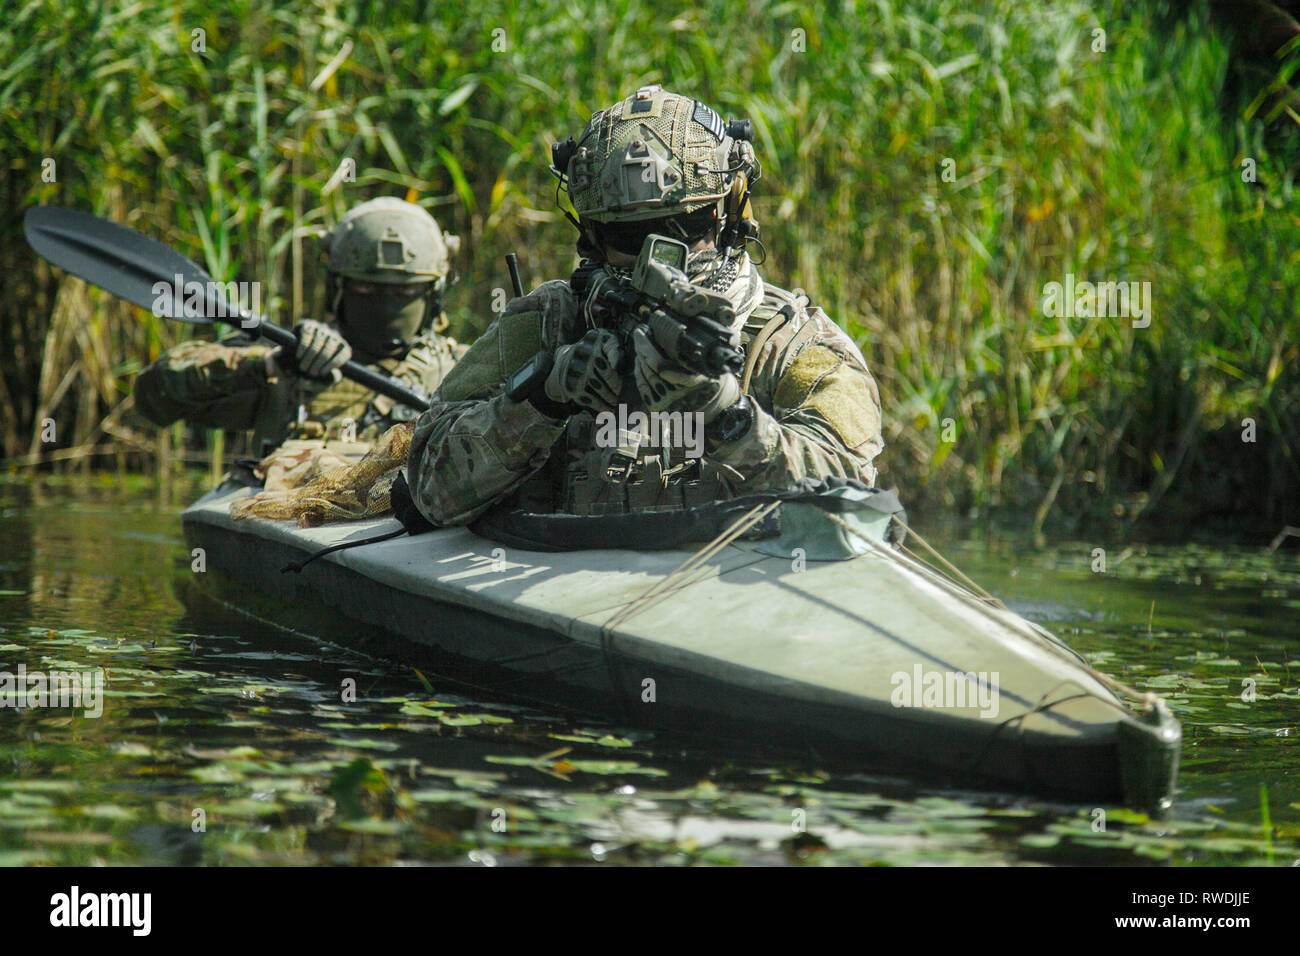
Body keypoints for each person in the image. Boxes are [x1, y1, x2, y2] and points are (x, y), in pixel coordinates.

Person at [406, 85, 884, 526]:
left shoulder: (792, 345)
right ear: (592, 236)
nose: (656, 256)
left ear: (730, 211)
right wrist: (544, 399)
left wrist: (729, 416)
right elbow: (428, 489)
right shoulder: (548, 322)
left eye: (684, 227)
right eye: (630, 236)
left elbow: (851, 506)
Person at [134, 197, 465, 454]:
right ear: (338, 289)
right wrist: (272, 364)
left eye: (405, 293)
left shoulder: (466, 373)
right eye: (366, 289)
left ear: (434, 295)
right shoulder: (287, 362)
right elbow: (153, 396)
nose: (386, 305)